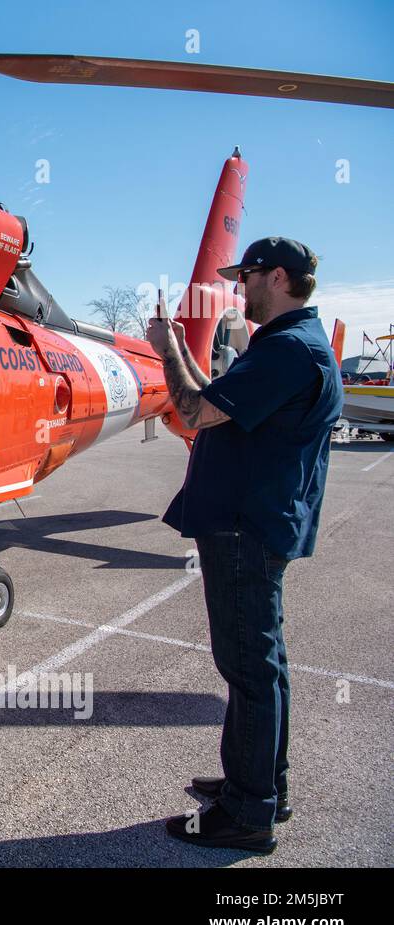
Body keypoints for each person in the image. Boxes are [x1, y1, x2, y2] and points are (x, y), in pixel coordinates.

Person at [147, 237, 343, 853]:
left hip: (244, 527)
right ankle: (260, 786)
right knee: (264, 665)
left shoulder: (287, 351)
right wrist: (183, 351)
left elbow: (193, 412)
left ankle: (248, 813)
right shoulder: (295, 348)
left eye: (247, 277)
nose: (239, 288)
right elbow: (220, 405)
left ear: (278, 278)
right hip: (258, 523)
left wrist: (167, 351)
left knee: (249, 668)